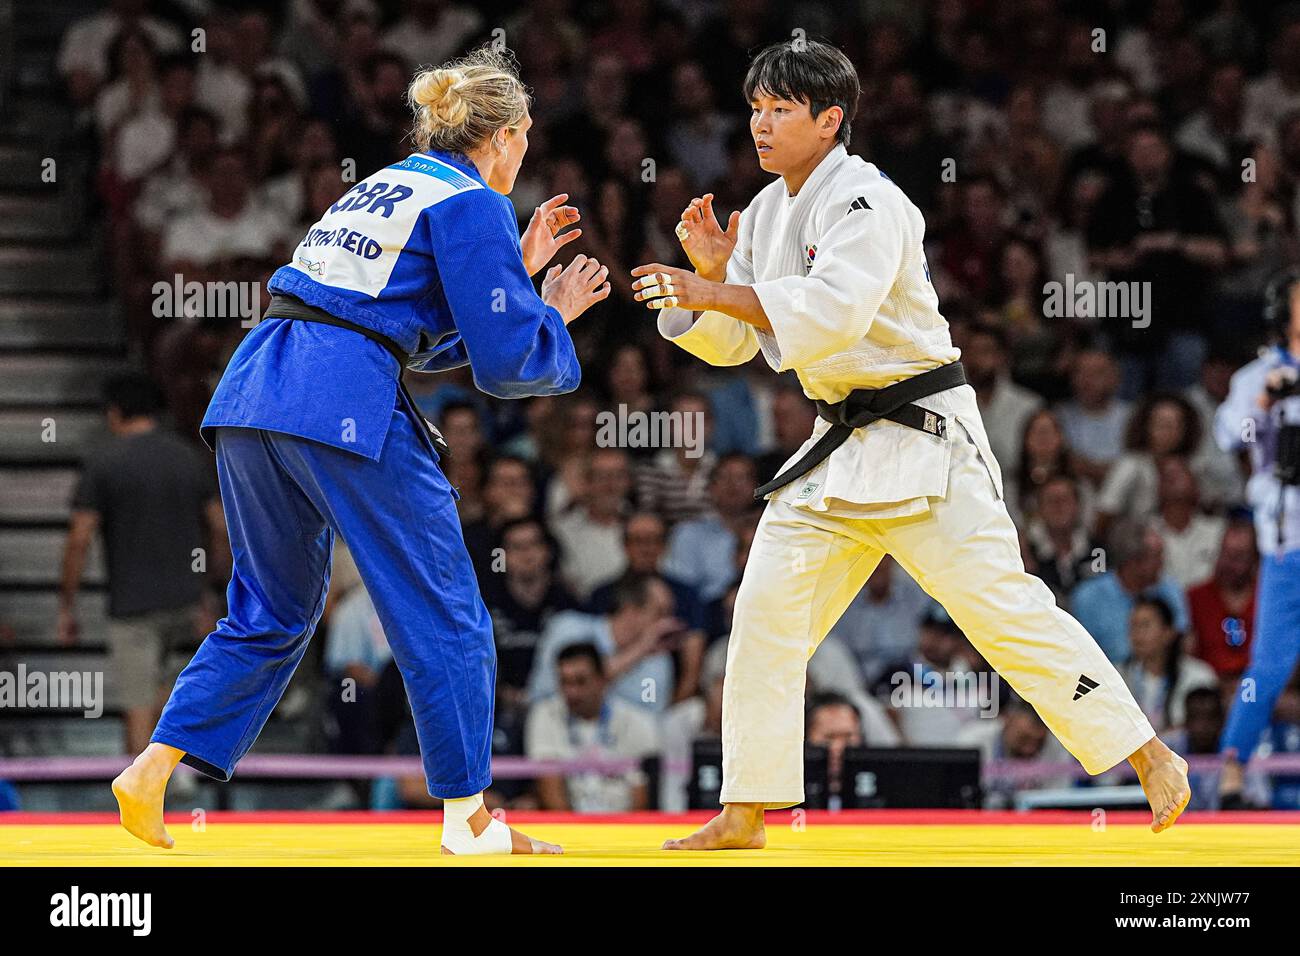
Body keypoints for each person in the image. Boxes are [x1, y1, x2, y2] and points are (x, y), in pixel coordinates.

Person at [632, 40, 1189, 850]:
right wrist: (717, 276)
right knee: (762, 617)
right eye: (754, 107)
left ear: (829, 121)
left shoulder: (868, 202)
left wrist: (722, 287)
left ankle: (1148, 754)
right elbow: (734, 343)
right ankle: (746, 810)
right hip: (836, 449)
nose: (759, 123)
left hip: (923, 438)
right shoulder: (767, 211)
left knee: (1005, 612)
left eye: (778, 109)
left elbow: (833, 314)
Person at [111, 47, 611, 857]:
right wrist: (548, 313)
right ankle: (469, 820)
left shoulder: (383, 183)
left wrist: (512, 273)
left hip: (254, 390)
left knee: (270, 610)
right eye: (525, 141)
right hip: (343, 401)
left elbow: (390, 327)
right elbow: (505, 364)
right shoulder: (472, 200)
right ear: (510, 135)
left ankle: (152, 767)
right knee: (446, 605)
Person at [59, 373, 228, 756]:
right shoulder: (188, 456)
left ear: (115, 413)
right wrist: (214, 586)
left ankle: (141, 802)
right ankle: (175, 772)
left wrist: (67, 605)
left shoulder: (104, 463)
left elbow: (79, 539)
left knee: (137, 705)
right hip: (189, 605)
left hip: (132, 608)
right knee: (172, 696)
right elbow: (220, 527)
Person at [1214, 269, 1300, 805]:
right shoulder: (1256, 376)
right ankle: (1232, 767)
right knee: (1268, 664)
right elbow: (1228, 433)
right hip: (1287, 538)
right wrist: (1265, 403)